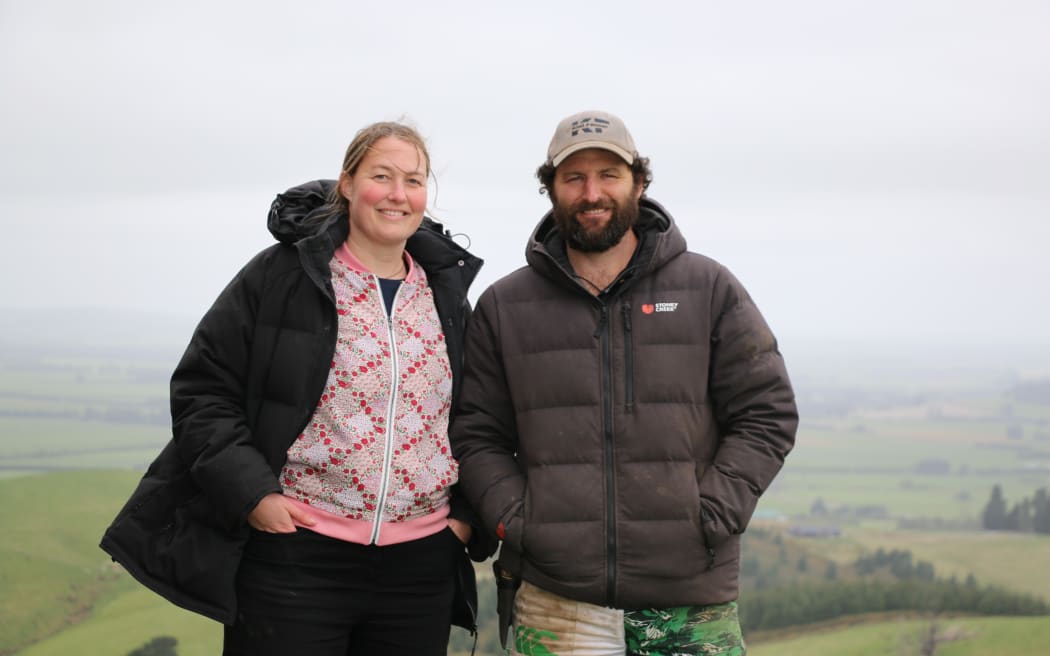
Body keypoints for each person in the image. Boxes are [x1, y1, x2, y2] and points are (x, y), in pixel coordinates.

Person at [100, 121, 493, 655]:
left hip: (419, 566)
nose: (399, 194)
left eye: (414, 180)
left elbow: (480, 416)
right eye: (382, 176)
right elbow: (203, 391)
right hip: (295, 557)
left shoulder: (446, 293)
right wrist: (253, 495)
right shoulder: (284, 276)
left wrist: (465, 520)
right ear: (348, 185)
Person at [450, 110, 799, 655]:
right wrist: (518, 522)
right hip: (556, 598)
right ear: (551, 189)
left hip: (690, 600)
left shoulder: (707, 287)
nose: (592, 193)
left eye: (609, 174)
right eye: (574, 178)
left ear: (639, 181)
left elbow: (767, 413)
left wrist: (712, 512)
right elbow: (476, 433)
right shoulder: (505, 305)